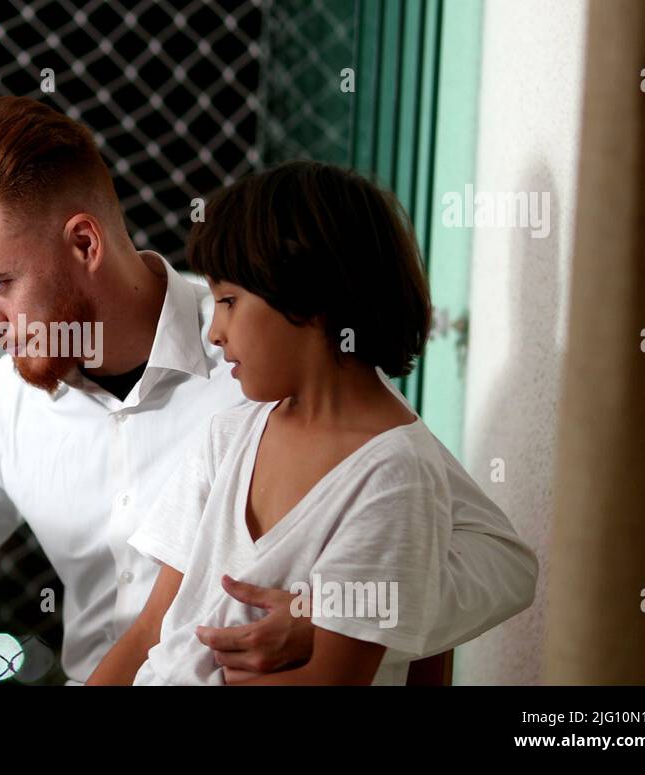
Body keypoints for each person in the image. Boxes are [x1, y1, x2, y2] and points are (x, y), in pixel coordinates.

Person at [0, 97, 537, 684]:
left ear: (84, 242)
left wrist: (330, 615)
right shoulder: (7, 401)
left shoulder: (271, 362)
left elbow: (494, 563)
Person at [88, 161, 531, 685]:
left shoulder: (394, 473)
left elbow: (332, 680)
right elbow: (150, 633)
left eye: (228, 300)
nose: (215, 332)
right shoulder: (227, 437)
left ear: (310, 295)